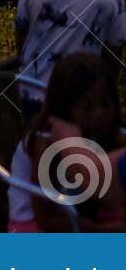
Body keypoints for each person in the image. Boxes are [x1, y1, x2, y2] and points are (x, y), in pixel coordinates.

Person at [8, 53, 126, 232]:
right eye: (87, 107)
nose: (98, 115)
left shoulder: (101, 135)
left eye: (106, 105)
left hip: (76, 217)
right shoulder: (46, 144)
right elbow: (46, 220)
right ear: (65, 108)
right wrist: (103, 229)